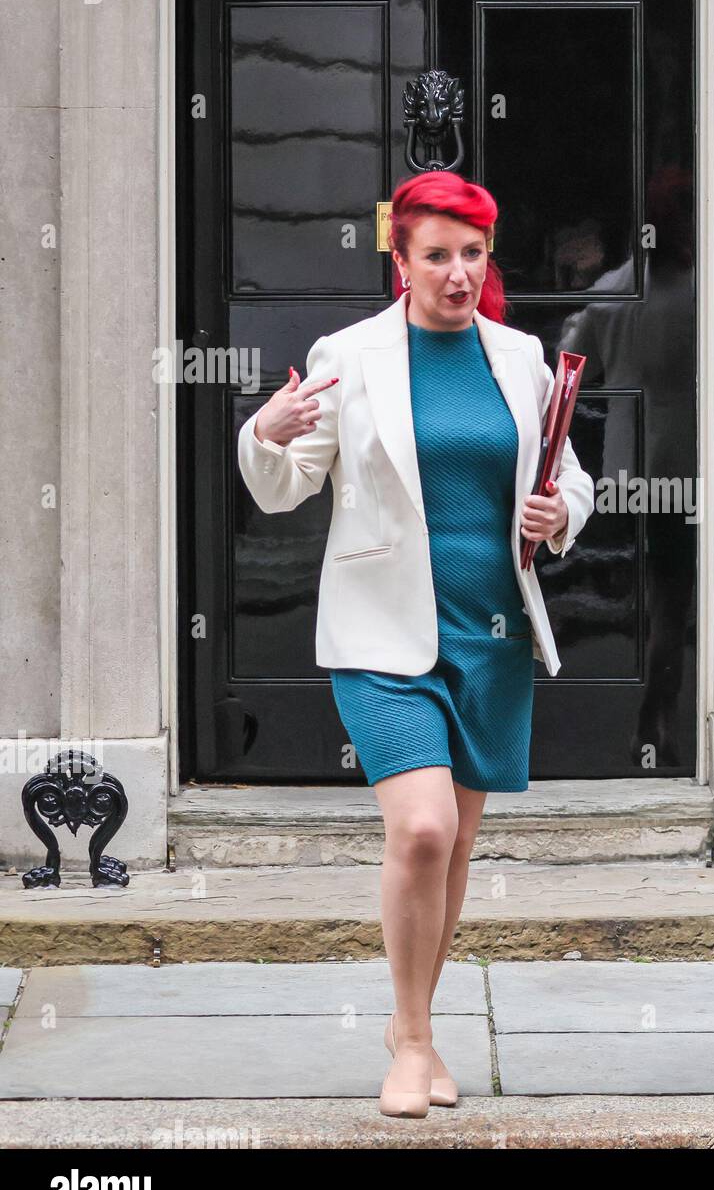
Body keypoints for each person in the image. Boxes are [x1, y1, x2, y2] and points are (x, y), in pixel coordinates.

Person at [236, 171, 594, 1118]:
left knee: (457, 845)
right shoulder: (347, 355)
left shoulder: (519, 357)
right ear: (399, 261)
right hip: (381, 632)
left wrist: (559, 513)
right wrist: (265, 433)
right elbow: (284, 484)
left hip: (491, 632)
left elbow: (573, 480)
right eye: (436, 255)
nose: (458, 273)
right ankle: (414, 1037)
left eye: (472, 254)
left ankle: (416, 1025)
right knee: (423, 828)